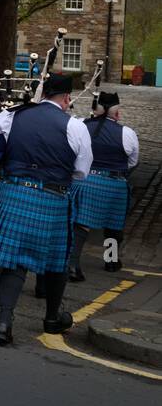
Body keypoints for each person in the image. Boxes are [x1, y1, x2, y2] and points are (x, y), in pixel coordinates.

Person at [0, 72, 93, 346]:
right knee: (56, 260)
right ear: (66, 98)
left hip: (13, 191)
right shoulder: (75, 126)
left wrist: (8, 154)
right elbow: (82, 172)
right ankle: (52, 318)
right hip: (51, 197)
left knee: (13, 261)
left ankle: (4, 322)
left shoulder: (14, 115)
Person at [67, 92, 138, 278]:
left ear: (95, 110)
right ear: (117, 113)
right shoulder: (127, 133)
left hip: (85, 181)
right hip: (114, 184)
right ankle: (111, 261)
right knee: (113, 224)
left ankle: (72, 265)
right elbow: (132, 162)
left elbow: (71, 151)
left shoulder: (81, 125)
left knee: (81, 223)